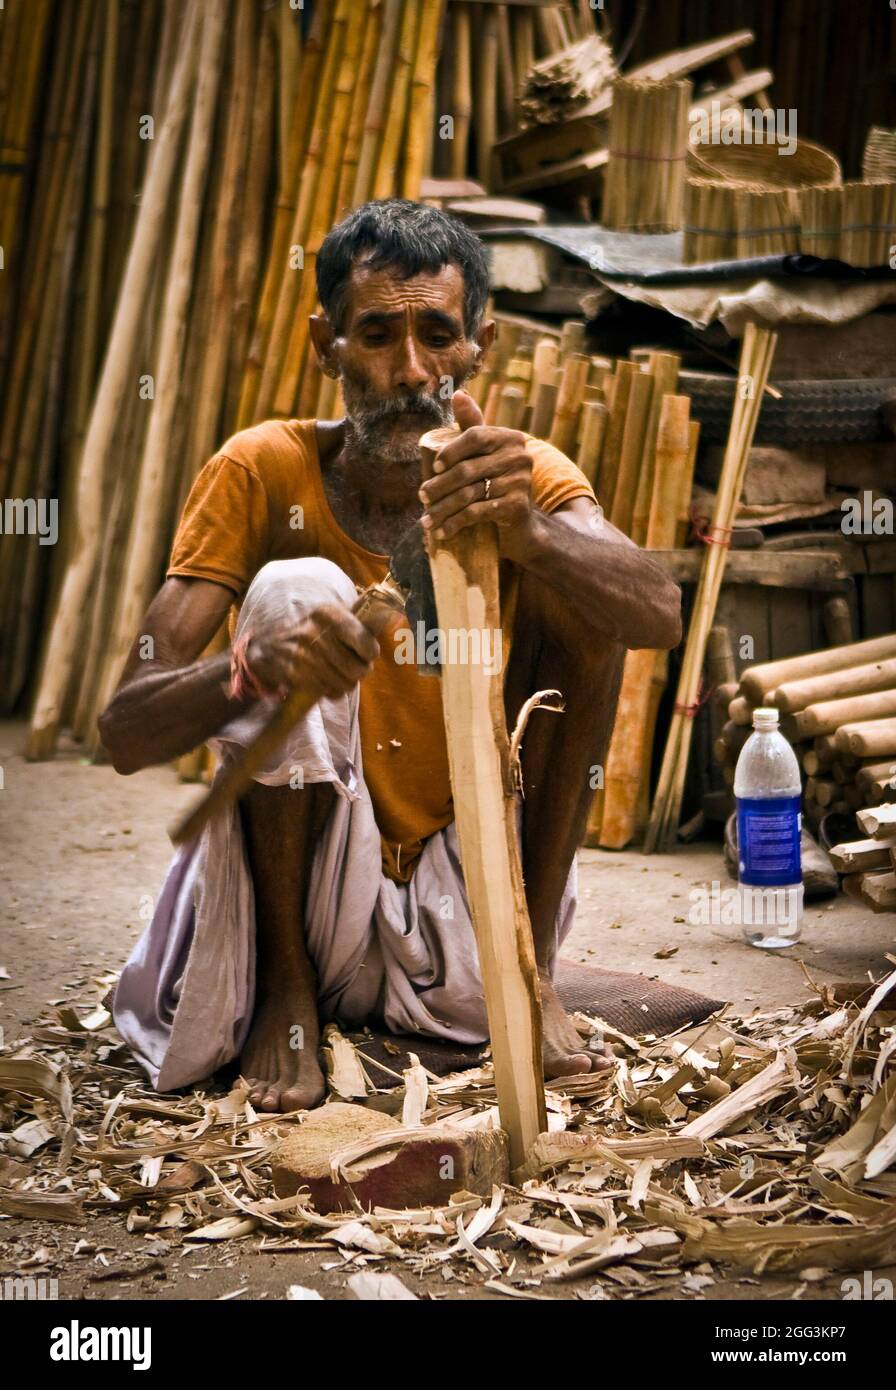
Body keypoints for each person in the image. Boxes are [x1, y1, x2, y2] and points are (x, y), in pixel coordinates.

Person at [99, 199, 681, 1112]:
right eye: (376, 334)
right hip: (297, 911)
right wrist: (249, 668)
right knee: (297, 591)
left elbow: (658, 613)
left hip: (469, 909)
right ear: (323, 342)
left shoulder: (518, 471)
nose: (410, 371)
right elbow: (122, 729)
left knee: (589, 594)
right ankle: (287, 1002)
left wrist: (527, 529)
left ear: (480, 345)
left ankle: (530, 974)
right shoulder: (261, 469)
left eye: (438, 336)